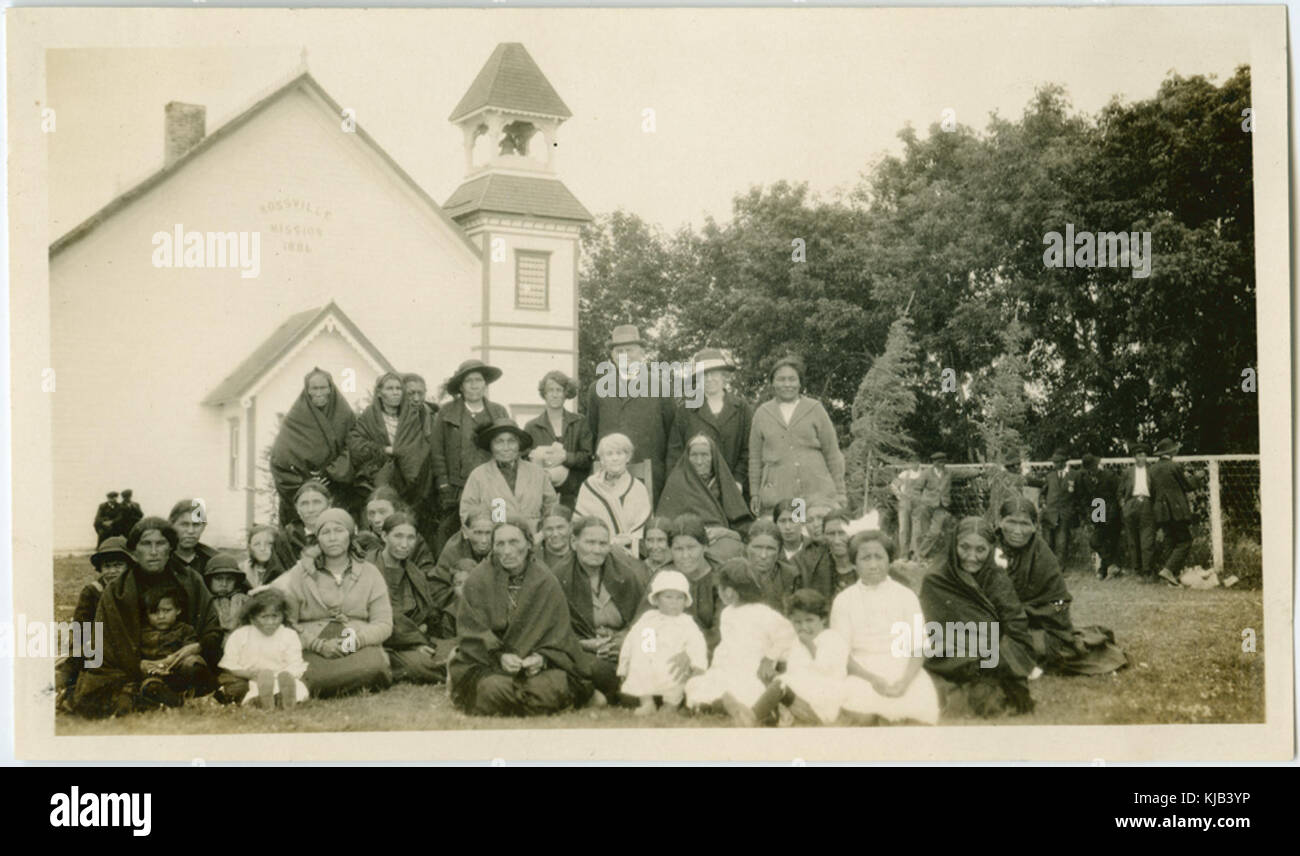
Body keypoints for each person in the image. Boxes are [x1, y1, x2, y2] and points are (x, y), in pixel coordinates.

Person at [71, 518, 223, 718]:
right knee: (96, 691)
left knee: (195, 666)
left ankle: (160, 692)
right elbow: (106, 640)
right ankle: (155, 692)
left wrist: (195, 646)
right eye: (146, 544)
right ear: (134, 551)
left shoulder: (191, 580)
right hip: (132, 664)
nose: (153, 551)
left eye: (160, 544)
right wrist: (138, 664)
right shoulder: (117, 590)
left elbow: (211, 627)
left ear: (170, 548)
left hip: (180, 660)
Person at [450, 518, 592, 716]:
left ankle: (517, 701)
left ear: (528, 543)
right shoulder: (479, 579)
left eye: (514, 542)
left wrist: (541, 659)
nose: (507, 551)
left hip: (539, 668)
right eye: (500, 544)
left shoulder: (545, 580)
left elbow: (559, 635)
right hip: (491, 664)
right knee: (491, 688)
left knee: (547, 689)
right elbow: (472, 630)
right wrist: (500, 656)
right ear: (493, 547)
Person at [919, 517, 1039, 718]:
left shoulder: (998, 579)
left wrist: (999, 656)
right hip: (950, 654)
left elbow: (1016, 627)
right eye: (964, 548)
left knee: (993, 680)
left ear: (991, 549)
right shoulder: (936, 579)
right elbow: (929, 632)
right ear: (954, 545)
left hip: (989, 654)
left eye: (980, 550)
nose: (971, 557)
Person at [995, 497, 1129, 674]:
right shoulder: (985, 549)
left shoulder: (1043, 557)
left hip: (1032, 626)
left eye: (1025, 524)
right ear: (999, 522)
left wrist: (1025, 613)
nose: (1017, 531)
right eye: (1011, 522)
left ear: (1035, 526)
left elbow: (1060, 603)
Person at [268, 509, 393, 699]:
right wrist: (318, 645)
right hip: (313, 642)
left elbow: (383, 623)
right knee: (305, 669)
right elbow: (288, 623)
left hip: (355, 639)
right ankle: (305, 684)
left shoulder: (370, 573)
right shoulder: (300, 574)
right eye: (326, 532)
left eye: (339, 531)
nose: (333, 538)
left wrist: (354, 641)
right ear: (318, 539)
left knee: (375, 668)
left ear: (350, 535)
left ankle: (307, 687)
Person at [831, 531, 940, 725]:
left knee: (917, 717)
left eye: (879, 557)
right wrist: (872, 679)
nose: (873, 565)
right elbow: (841, 655)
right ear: (854, 563)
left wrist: (905, 681)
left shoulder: (906, 596)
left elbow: (918, 647)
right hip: (862, 670)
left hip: (903, 667)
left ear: (889, 560)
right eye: (865, 558)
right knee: (863, 716)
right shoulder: (844, 600)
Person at [685, 558, 797, 726]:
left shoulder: (765, 613)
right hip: (725, 669)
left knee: (745, 689)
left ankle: (727, 706)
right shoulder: (727, 613)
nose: (719, 593)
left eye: (720, 589)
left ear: (730, 591)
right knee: (697, 684)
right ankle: (723, 705)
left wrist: (769, 658)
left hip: (750, 671)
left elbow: (788, 636)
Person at [551, 516, 648, 704]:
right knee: (596, 669)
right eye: (590, 542)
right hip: (583, 652)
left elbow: (644, 619)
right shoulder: (558, 577)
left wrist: (623, 641)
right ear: (573, 542)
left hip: (624, 648)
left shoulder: (626, 574)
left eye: (603, 544)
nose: (597, 550)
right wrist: (585, 644)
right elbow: (554, 630)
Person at [585, 325, 678, 505]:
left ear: (642, 353)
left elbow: (673, 437)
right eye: (619, 350)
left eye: (630, 350)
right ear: (612, 356)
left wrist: (668, 476)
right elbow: (593, 432)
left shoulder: (661, 387)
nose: (625, 355)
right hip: (607, 476)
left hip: (650, 477)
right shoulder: (597, 389)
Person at [748, 354, 847, 517]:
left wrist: (840, 491)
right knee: (792, 531)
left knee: (817, 533)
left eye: (792, 379)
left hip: (817, 491)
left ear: (800, 382)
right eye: (781, 379)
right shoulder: (762, 413)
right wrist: (755, 494)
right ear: (772, 382)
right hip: (781, 493)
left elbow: (833, 453)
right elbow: (755, 459)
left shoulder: (815, 408)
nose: (787, 384)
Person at [431, 359, 510, 550]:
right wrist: (443, 484)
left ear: (485, 384)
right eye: (469, 381)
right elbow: (437, 449)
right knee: (457, 533)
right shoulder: (446, 412)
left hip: (495, 486)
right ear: (461, 386)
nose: (474, 385)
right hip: (457, 487)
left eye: (479, 380)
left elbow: (509, 446)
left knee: (498, 527)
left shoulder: (498, 411)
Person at [364, 512, 446, 684]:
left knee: (453, 651)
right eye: (398, 536)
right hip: (381, 641)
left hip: (412, 638)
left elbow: (427, 614)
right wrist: (415, 641)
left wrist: (422, 632)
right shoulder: (366, 569)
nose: (404, 544)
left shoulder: (415, 573)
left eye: (410, 538)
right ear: (384, 536)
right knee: (420, 665)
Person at [269, 367, 357, 526]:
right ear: (307, 390)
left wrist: (331, 473)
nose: (319, 392)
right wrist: (308, 483)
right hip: (303, 491)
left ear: (331, 388)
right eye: (314, 388)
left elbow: (353, 448)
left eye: (323, 387)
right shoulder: (295, 418)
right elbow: (280, 458)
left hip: (338, 488)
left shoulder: (346, 416)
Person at [666, 348, 753, 500]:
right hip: (695, 492)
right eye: (703, 374)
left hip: (735, 491)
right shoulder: (686, 410)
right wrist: (683, 486)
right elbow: (675, 454)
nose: (709, 378)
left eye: (714, 373)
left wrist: (738, 480)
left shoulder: (741, 408)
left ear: (724, 376)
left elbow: (748, 450)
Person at [617, 570, 708, 716]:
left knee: (676, 672)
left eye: (679, 598)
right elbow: (632, 641)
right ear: (657, 599)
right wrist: (624, 664)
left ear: (685, 602)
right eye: (668, 597)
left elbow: (697, 644)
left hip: (673, 662)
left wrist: (697, 663)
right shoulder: (649, 618)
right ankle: (647, 702)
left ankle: (670, 705)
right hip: (651, 658)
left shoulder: (686, 622)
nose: (674, 602)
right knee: (641, 658)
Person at [55, 537, 132, 707]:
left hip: (124, 647)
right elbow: (80, 625)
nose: (112, 571)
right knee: (80, 664)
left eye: (118, 565)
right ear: (100, 568)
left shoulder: (131, 590)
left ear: (128, 566)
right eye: (107, 566)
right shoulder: (93, 591)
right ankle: (66, 686)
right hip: (95, 645)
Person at [347, 372, 433, 513]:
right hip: (377, 476)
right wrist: (385, 450)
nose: (395, 393)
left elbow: (419, 447)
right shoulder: (369, 416)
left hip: (409, 479)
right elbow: (356, 444)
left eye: (398, 389)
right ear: (380, 393)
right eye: (390, 389)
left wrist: (404, 453)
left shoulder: (412, 417)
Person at [657, 433, 752, 553]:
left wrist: (724, 532)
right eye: (694, 455)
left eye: (705, 455)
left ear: (713, 458)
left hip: (720, 538)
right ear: (687, 458)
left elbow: (743, 528)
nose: (699, 461)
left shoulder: (723, 482)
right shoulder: (677, 482)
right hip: (686, 540)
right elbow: (666, 525)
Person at [459, 417, 558, 532]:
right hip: (496, 542)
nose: (506, 448)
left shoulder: (537, 473)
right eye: (499, 442)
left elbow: (552, 508)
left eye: (511, 441)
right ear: (491, 446)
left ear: (519, 444)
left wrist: (541, 534)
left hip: (533, 539)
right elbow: (467, 514)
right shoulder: (478, 476)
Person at [218, 588, 310, 710]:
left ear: (283, 616)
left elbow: (295, 664)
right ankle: (263, 700)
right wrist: (249, 675)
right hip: (247, 677)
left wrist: (280, 676)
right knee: (237, 688)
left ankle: (279, 699)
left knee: (298, 686)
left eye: (275, 616)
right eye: (264, 617)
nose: (270, 622)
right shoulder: (240, 635)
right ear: (252, 618)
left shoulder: (289, 635)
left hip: (278, 677)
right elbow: (230, 664)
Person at [777, 588, 850, 725]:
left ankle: (753, 716)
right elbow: (793, 668)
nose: (803, 626)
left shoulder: (831, 638)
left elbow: (824, 667)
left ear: (822, 619)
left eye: (809, 620)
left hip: (824, 697)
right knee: (778, 683)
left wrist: (809, 644)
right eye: (797, 622)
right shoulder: (796, 642)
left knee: (779, 685)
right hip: (803, 695)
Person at [136, 585, 217, 708]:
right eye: (154, 612)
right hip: (156, 675)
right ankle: (179, 702)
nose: (161, 616)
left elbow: (188, 651)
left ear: (178, 610)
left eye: (167, 610)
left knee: (194, 662)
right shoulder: (142, 633)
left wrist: (166, 662)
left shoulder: (184, 630)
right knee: (150, 687)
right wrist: (145, 665)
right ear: (146, 614)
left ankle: (205, 694)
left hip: (179, 672)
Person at [574, 433, 653, 555]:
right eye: (609, 454)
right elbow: (581, 522)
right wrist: (607, 542)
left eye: (619, 453)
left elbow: (642, 526)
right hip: (596, 548)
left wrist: (622, 542)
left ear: (627, 457)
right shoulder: (589, 486)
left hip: (630, 551)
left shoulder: (637, 487)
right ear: (602, 459)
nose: (614, 458)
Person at [524, 370, 593, 510]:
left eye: (559, 390)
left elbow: (588, 457)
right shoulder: (531, 426)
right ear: (544, 393)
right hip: (542, 494)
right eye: (550, 390)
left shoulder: (580, 422)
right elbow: (524, 458)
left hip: (574, 492)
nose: (555, 394)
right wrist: (536, 457)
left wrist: (565, 457)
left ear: (566, 393)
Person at [655, 513, 725, 650]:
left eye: (691, 547)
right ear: (670, 550)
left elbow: (720, 632)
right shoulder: (663, 576)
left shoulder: (721, 577)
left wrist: (690, 654)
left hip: (710, 654)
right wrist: (649, 653)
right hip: (667, 652)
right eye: (678, 549)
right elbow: (646, 622)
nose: (685, 556)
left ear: (705, 546)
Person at [1148, 438, 1203, 586]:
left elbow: (1151, 491)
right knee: (1185, 541)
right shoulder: (1173, 466)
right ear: (1171, 452)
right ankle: (1168, 570)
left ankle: (1171, 577)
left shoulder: (1152, 469)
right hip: (1176, 510)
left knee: (1170, 540)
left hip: (1160, 511)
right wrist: (1197, 478)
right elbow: (1187, 486)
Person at [353, 485, 437, 576]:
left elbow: (427, 576)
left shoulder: (413, 540)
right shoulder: (360, 544)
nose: (376, 519)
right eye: (371, 513)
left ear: (396, 511)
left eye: (382, 512)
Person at [265, 480, 335, 583]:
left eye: (316, 502)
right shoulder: (285, 540)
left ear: (329, 505)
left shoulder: (340, 536)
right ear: (297, 509)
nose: (310, 509)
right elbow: (274, 580)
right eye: (304, 504)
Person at [1075, 453, 1122, 579]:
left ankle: (1104, 569)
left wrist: (1114, 511)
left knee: (1111, 540)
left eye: (1093, 467)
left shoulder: (1109, 475)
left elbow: (1118, 492)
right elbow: (1083, 496)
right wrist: (1089, 511)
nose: (1092, 471)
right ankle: (1111, 565)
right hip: (1097, 509)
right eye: (1089, 469)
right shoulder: (1085, 478)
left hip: (1112, 510)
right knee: (1095, 541)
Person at [793, 509, 855, 602]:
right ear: (824, 535)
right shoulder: (808, 564)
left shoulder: (868, 562)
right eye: (831, 534)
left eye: (842, 533)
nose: (837, 540)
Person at [1117, 442, 1157, 579]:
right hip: (1131, 504)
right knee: (1132, 540)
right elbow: (1120, 492)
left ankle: (1147, 570)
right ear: (1135, 457)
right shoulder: (1127, 472)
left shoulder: (1152, 471)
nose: (1143, 457)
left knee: (1147, 539)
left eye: (1145, 455)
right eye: (1140, 455)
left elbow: (1156, 490)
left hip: (1146, 504)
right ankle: (1136, 569)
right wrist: (1124, 506)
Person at [1031, 448, 1076, 566]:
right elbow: (1043, 492)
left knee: (1062, 542)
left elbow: (1079, 495)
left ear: (1064, 462)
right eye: (1054, 462)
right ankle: (1048, 567)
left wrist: (1074, 509)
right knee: (1047, 542)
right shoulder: (1050, 476)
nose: (1055, 464)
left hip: (1064, 513)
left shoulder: (1074, 475)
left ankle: (1060, 568)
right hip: (1050, 514)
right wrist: (1043, 504)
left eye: (1057, 462)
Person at [746, 520, 799, 614]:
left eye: (770, 549)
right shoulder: (733, 574)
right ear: (747, 547)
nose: (763, 555)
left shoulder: (790, 576)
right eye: (757, 547)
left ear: (779, 552)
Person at [909, 452, 952, 560]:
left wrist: (979, 472)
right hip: (926, 506)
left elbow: (964, 472)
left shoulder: (949, 472)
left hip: (942, 506)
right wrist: (919, 502)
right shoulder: (926, 473)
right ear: (934, 463)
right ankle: (924, 556)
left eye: (944, 462)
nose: (942, 464)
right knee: (924, 532)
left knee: (935, 532)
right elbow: (916, 489)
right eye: (939, 462)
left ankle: (918, 555)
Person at [168, 498, 218, 577]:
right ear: (171, 525)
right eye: (184, 524)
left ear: (203, 527)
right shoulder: (162, 559)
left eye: (196, 525)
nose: (191, 531)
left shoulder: (213, 560)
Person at [204, 553, 249, 639]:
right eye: (219, 578)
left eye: (230, 579)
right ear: (209, 580)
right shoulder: (205, 601)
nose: (224, 584)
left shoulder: (243, 600)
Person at [890, 461, 923, 558]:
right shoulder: (904, 474)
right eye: (912, 462)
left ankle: (915, 554)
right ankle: (904, 554)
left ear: (919, 464)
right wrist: (899, 495)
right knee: (903, 528)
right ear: (910, 464)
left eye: (916, 462)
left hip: (918, 504)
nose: (914, 464)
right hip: (905, 503)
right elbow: (893, 485)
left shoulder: (923, 475)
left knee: (917, 530)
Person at [537, 505, 575, 570]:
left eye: (560, 528)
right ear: (542, 530)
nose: (555, 534)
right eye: (549, 529)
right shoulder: (533, 557)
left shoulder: (580, 554)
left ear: (571, 527)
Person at [240, 525, 278, 590]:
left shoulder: (284, 569)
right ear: (250, 547)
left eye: (269, 543)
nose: (262, 548)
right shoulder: (242, 569)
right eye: (257, 544)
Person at [772, 497, 809, 563]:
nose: (787, 527)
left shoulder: (815, 549)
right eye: (782, 521)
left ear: (802, 522)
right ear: (775, 524)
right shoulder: (772, 551)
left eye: (792, 521)